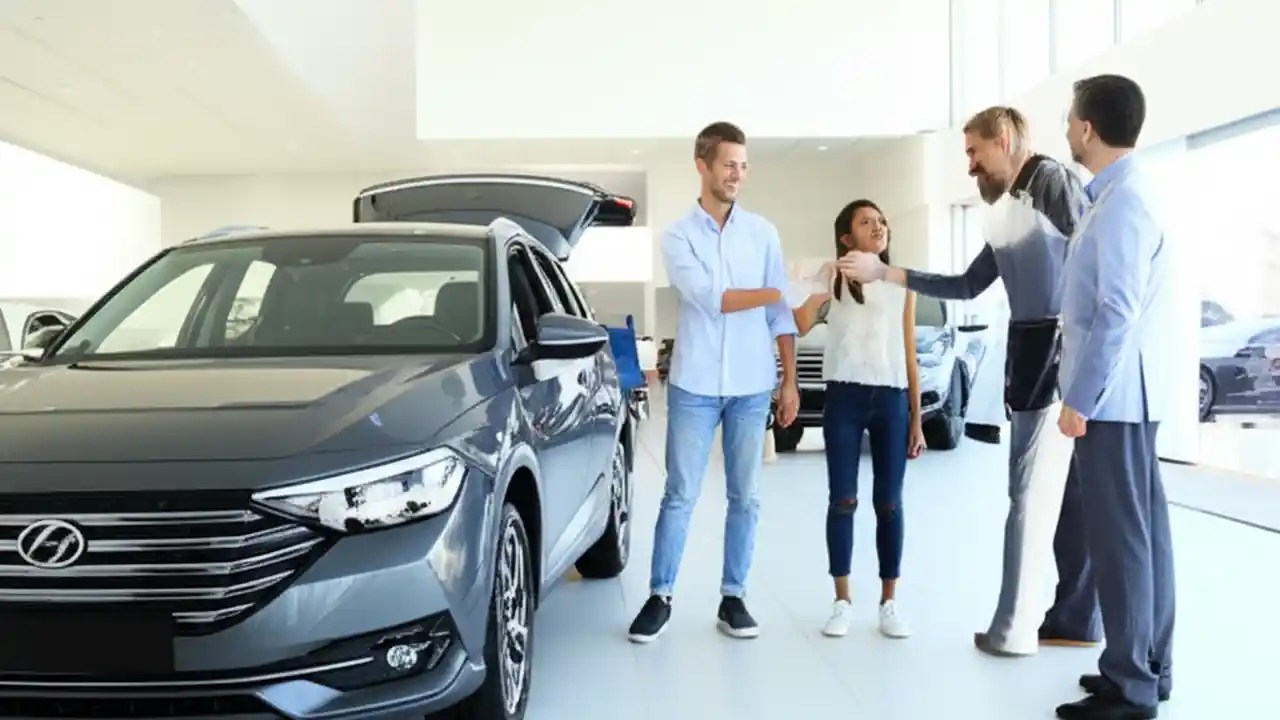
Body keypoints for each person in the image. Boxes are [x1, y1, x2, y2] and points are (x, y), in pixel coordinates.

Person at [838, 106, 1101, 657]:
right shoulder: (1009, 210)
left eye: (973, 153)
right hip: (1036, 356)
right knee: (1062, 498)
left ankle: (1014, 628)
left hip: (1057, 358)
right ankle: (1074, 617)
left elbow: (1095, 258)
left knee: (1029, 496)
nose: (970, 167)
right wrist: (886, 272)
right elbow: (966, 284)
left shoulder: (1052, 182)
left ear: (1003, 140)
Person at [627, 121, 799, 643]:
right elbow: (714, 298)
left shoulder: (763, 232)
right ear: (702, 165)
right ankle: (660, 596)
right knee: (680, 494)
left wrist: (788, 380)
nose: (737, 175)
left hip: (751, 385)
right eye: (729, 164)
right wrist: (778, 291)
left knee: (746, 496)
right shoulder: (677, 236)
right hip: (695, 385)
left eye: (744, 166)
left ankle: (733, 597)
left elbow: (782, 316)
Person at [1054, 74, 1175, 720]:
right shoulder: (1119, 194)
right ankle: (1147, 667)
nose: (1067, 128)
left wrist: (1081, 397)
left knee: (1122, 539)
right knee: (1144, 534)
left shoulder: (1125, 201)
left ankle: (1132, 685)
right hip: (1126, 396)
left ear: (1088, 128)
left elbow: (1117, 309)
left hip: (1114, 400)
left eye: (1070, 118)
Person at [796, 200, 925, 639]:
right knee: (843, 500)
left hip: (891, 397)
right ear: (848, 238)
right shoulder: (835, 278)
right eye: (866, 222)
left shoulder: (901, 282)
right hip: (844, 397)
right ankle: (842, 601)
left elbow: (909, 350)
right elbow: (798, 323)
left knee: (889, 503)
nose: (878, 227)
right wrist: (820, 277)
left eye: (882, 220)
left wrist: (917, 418)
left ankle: (890, 602)